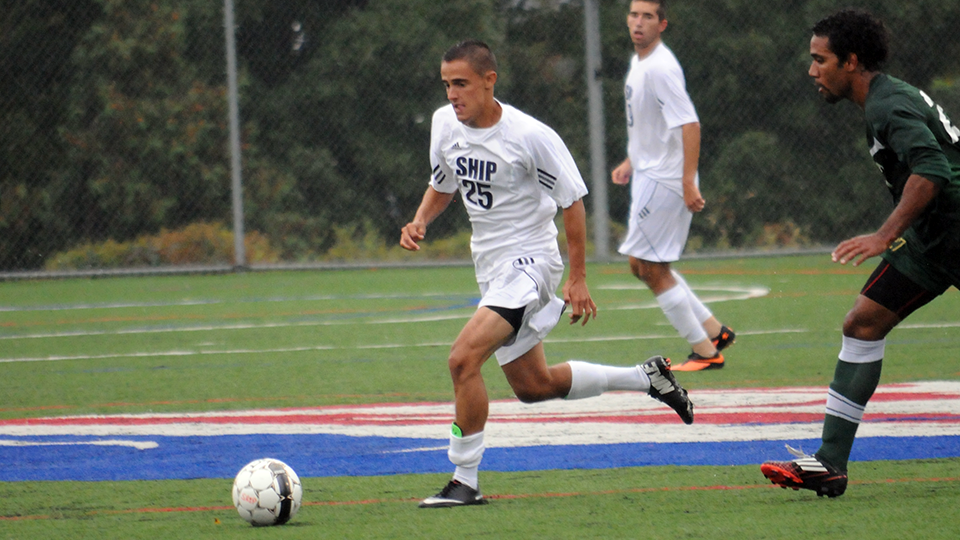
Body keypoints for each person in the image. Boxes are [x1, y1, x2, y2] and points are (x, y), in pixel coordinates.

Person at [401, 40, 695, 508]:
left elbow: (571, 202)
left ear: (488, 81)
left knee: (462, 359)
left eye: (461, 84)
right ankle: (648, 378)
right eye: (446, 85)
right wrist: (420, 220)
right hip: (492, 270)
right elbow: (443, 184)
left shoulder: (530, 135)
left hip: (531, 264)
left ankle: (464, 480)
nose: (452, 94)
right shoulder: (443, 124)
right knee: (533, 386)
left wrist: (576, 277)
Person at [760, 9, 960, 498]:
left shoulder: (886, 106)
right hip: (934, 241)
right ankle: (829, 463)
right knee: (862, 323)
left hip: (953, 231)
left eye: (819, 59)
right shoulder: (885, 98)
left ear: (850, 62)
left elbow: (931, 170)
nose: (812, 71)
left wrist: (881, 235)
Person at [611, 0, 735, 372]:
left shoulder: (661, 68)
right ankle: (714, 332)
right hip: (650, 172)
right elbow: (651, 122)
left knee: (649, 267)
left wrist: (686, 181)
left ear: (662, 24)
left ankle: (706, 353)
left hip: (666, 178)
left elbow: (689, 124)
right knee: (642, 264)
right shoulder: (640, 61)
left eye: (648, 16)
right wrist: (632, 159)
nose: (638, 22)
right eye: (634, 14)